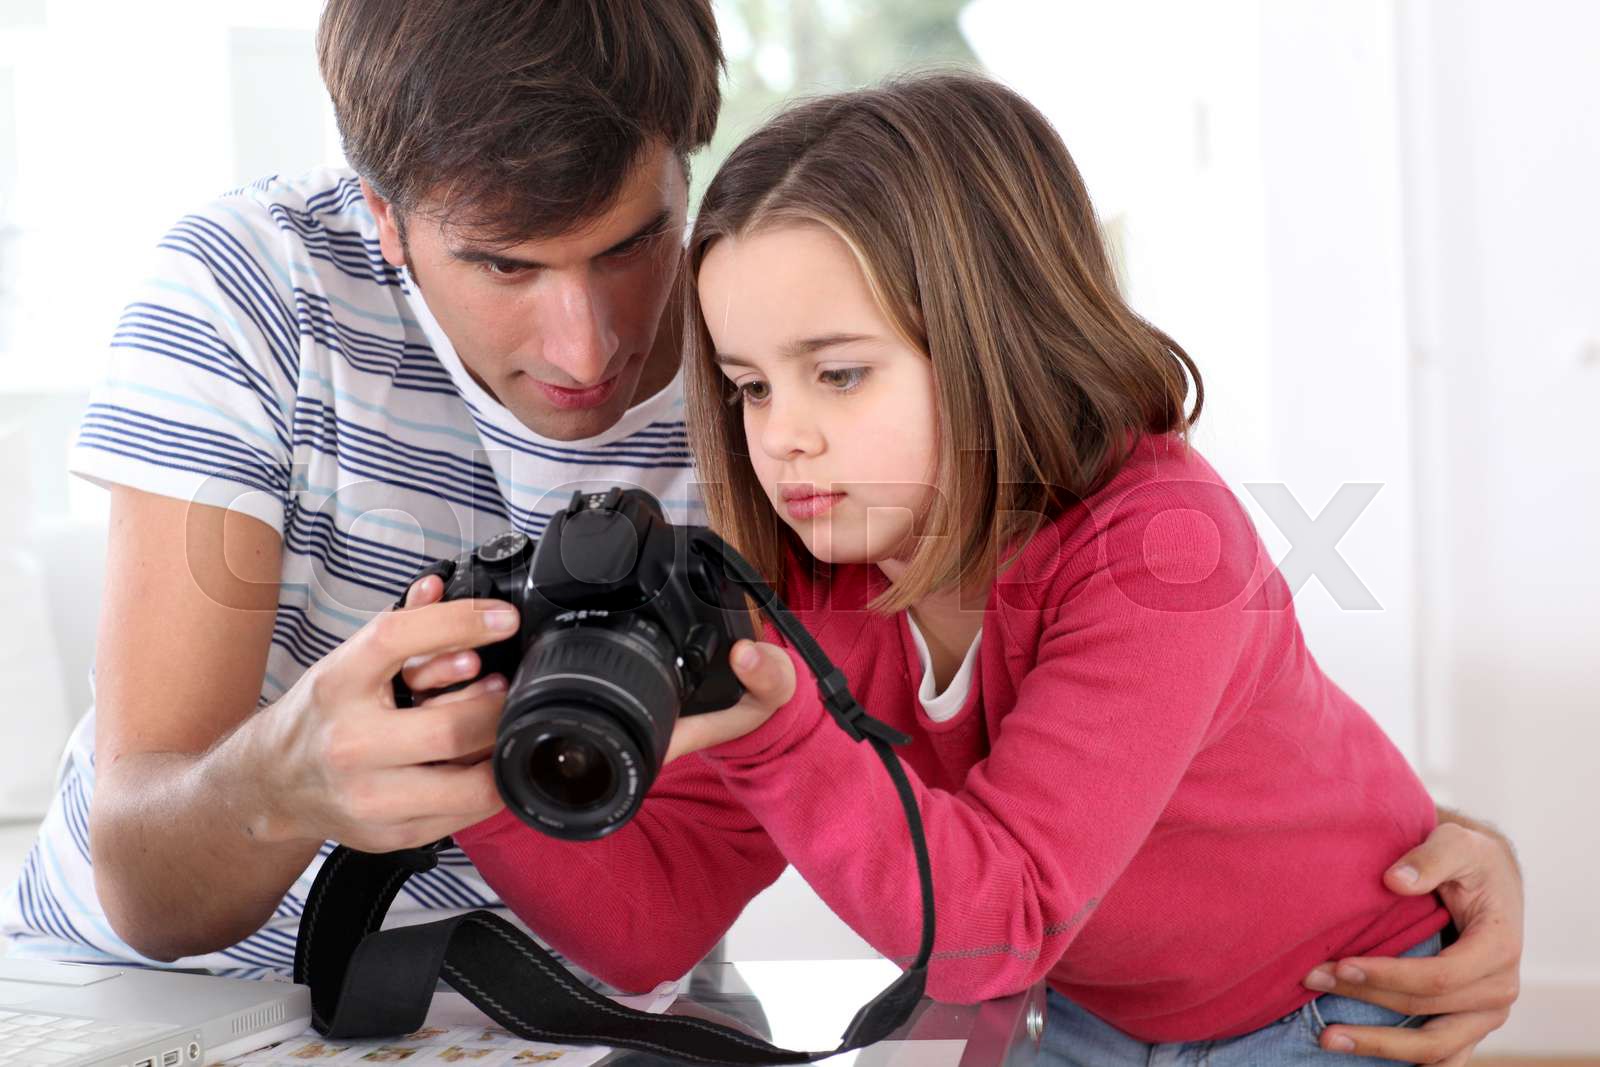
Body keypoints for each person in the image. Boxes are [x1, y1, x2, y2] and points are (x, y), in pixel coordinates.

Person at [0, 1, 1515, 1061]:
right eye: (743, 387)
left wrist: (1462, 849)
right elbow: (664, 901)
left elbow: (1020, 887)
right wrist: (469, 756)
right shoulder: (826, 543)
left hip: (1290, 1004)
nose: (599, 350)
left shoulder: (1088, 524)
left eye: (635, 239)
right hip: (1055, 1009)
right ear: (383, 217)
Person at [455, 70, 1522, 1065]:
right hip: (1086, 1007)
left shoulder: (1159, 542)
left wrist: (785, 736)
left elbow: (999, 925)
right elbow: (654, 926)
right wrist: (470, 764)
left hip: (1334, 999)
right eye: (750, 386)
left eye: (838, 373)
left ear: (994, 336)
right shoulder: (819, 583)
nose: (781, 436)